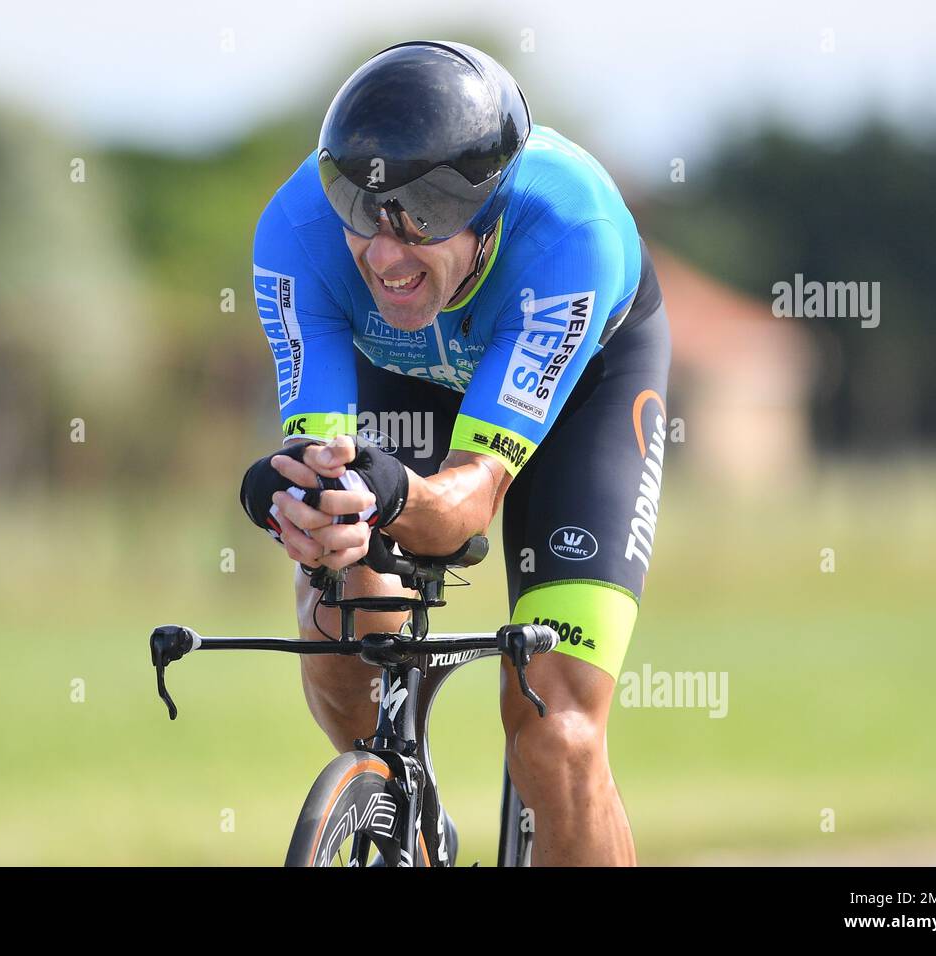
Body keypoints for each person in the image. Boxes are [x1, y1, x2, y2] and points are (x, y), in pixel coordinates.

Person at [241, 40, 670, 866]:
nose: (385, 254)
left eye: (422, 223)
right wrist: (305, 500)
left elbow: (471, 501)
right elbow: (322, 455)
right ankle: (406, 813)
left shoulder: (567, 233)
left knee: (555, 725)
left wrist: (393, 496)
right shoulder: (296, 232)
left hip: (585, 394)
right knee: (337, 620)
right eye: (365, 219)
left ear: (492, 212)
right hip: (402, 377)